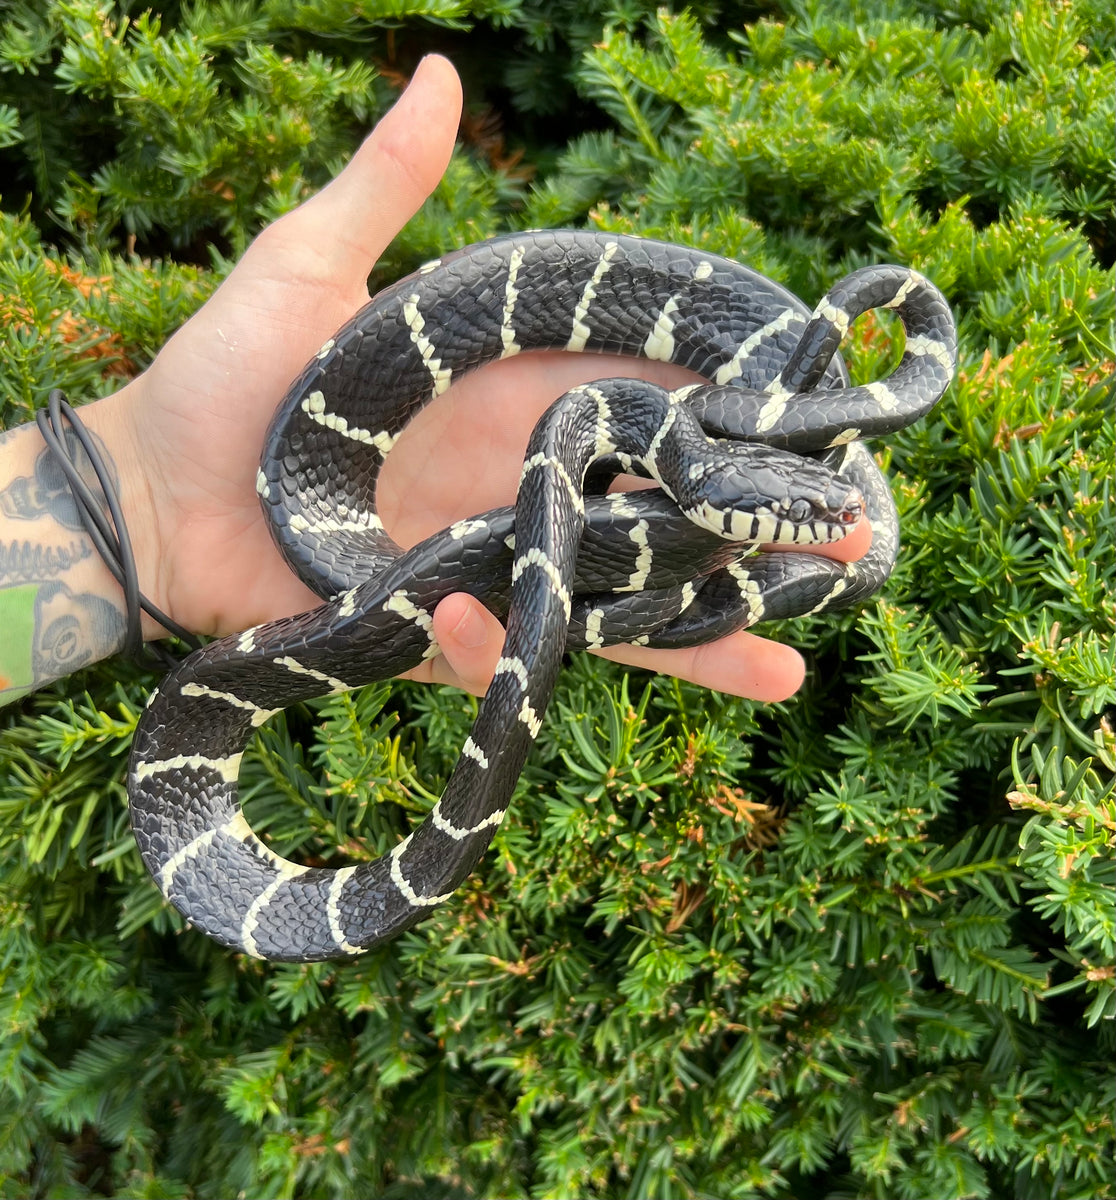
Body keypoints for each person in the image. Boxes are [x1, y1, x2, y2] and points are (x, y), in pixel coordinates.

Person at [0, 54, 869, 707]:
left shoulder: (691, 458)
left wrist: (135, 505)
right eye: (794, 513)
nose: (810, 521)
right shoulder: (663, 455)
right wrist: (142, 493)